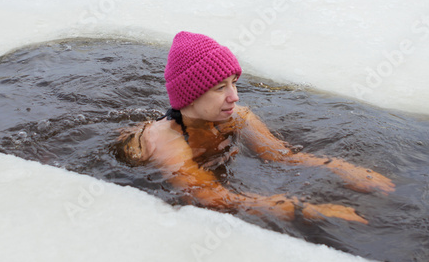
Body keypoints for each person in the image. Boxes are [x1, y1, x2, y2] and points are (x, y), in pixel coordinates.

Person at [116, 31, 395, 224]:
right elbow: (211, 197)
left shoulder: (237, 116)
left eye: (234, 83)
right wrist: (305, 210)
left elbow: (281, 155)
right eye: (220, 87)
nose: (234, 96)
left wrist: (338, 166)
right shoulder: (167, 142)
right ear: (190, 95)